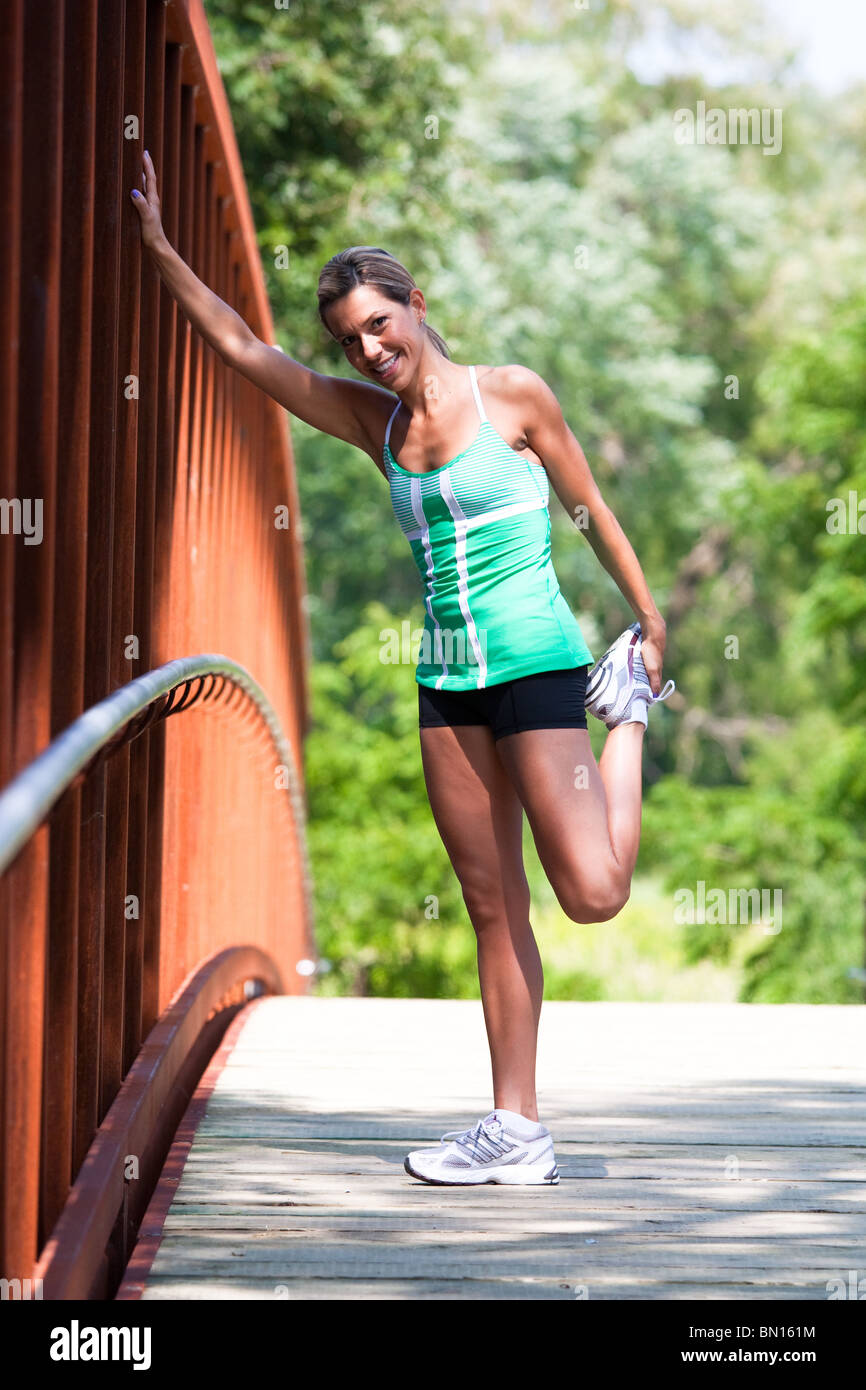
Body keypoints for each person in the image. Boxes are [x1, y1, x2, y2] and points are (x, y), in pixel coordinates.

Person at [131, 153, 675, 1188]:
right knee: (488, 903)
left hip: (538, 671)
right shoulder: (369, 424)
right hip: (444, 688)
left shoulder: (509, 395)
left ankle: (629, 717)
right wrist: (161, 251)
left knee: (593, 893)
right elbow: (243, 348)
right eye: (349, 339)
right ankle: (513, 1125)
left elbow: (589, 509)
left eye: (380, 323)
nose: (368, 348)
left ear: (417, 305)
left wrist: (645, 622)